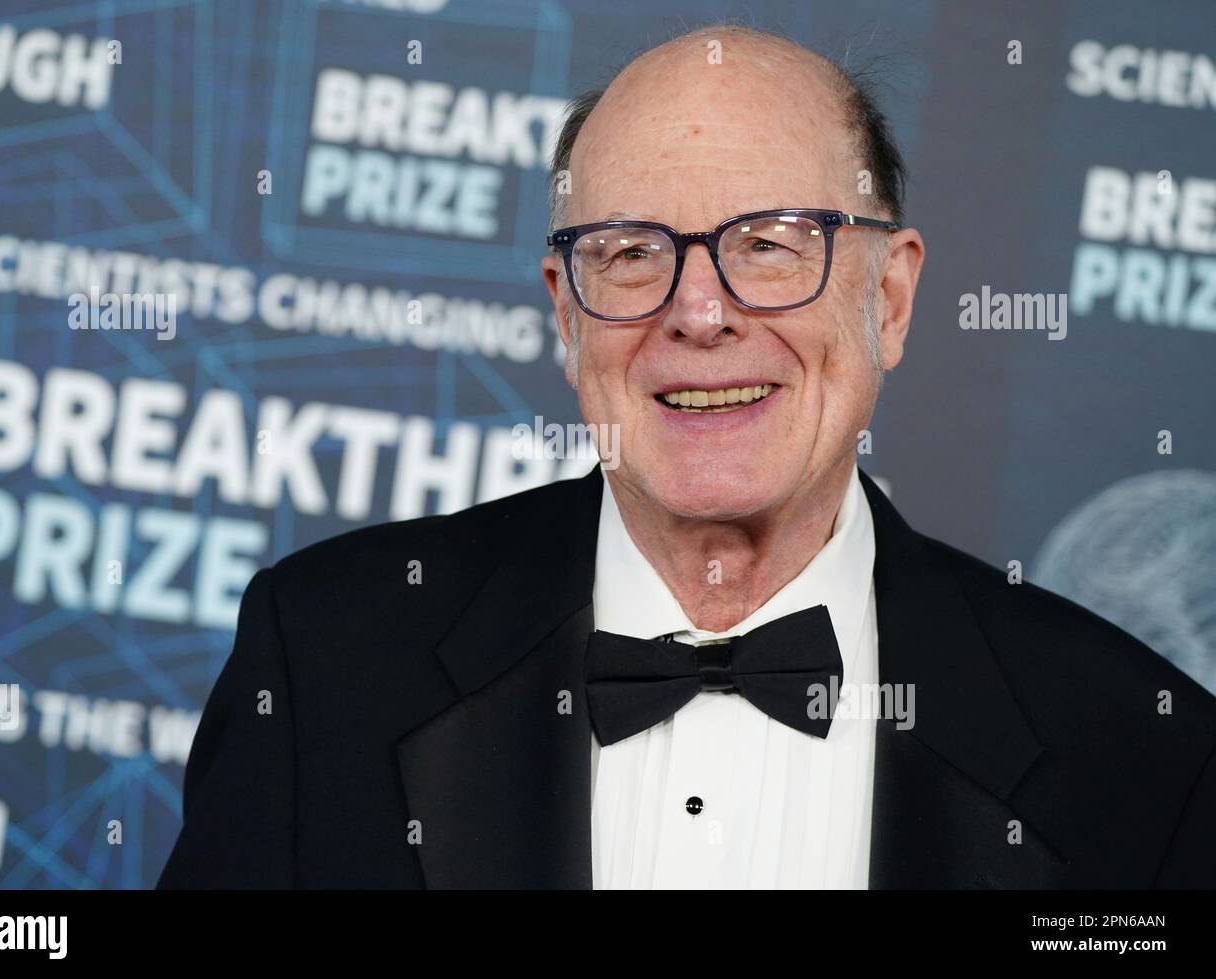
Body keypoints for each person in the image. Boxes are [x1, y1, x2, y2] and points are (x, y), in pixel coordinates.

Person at [158, 25, 1216, 889]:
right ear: (564, 315)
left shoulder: (1138, 750)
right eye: (629, 253)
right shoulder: (325, 658)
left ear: (887, 300)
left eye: (769, 244)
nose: (699, 312)